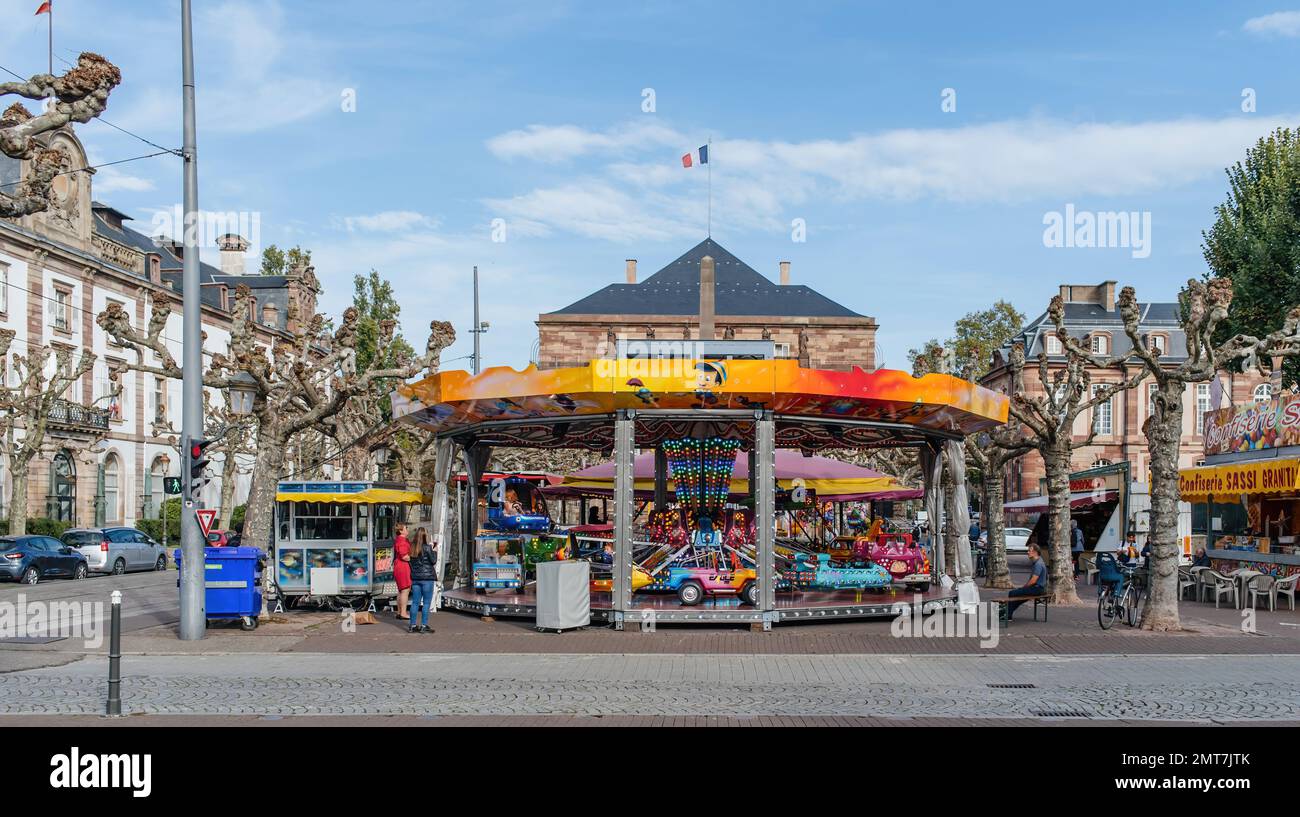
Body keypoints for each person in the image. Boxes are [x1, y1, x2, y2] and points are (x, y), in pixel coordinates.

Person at [1006, 543, 1049, 619]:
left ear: (1035, 552)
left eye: (1029, 551)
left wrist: (1024, 587)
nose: (1028, 552)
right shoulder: (1039, 561)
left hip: (1037, 589)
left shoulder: (1038, 564)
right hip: (1038, 588)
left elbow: (1033, 580)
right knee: (1017, 598)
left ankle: (1007, 615)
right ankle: (1007, 614)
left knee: (1012, 593)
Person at [407, 528, 437, 634]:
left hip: (415, 578)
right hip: (427, 578)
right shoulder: (428, 548)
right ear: (425, 536)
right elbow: (433, 561)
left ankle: (412, 625)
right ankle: (424, 626)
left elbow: (410, 563)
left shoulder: (412, 548)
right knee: (426, 603)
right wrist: (434, 550)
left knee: (415, 602)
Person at [393, 523, 412, 622]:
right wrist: (414, 558)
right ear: (401, 531)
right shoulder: (402, 541)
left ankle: (399, 612)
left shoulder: (399, 540)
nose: (408, 529)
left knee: (401, 590)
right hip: (402, 566)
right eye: (406, 528)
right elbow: (404, 556)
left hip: (398, 566)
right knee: (405, 590)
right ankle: (403, 613)